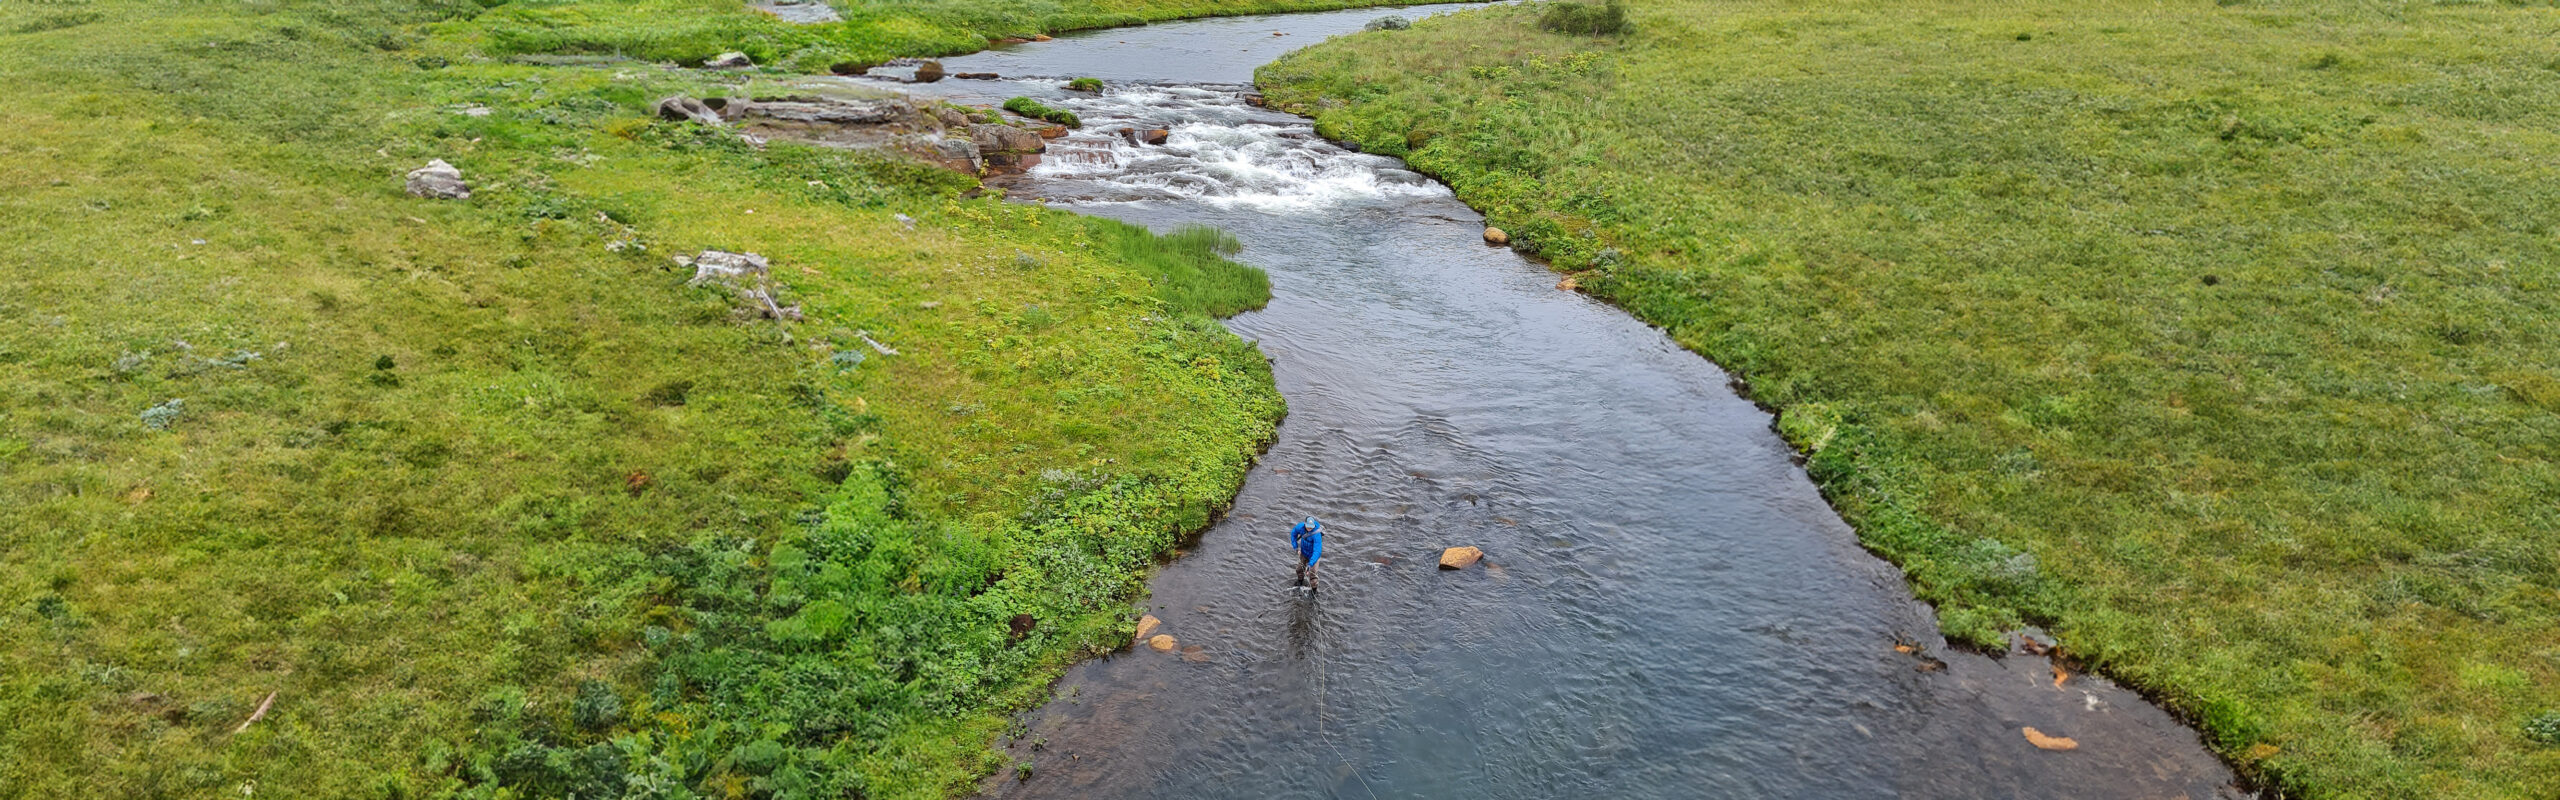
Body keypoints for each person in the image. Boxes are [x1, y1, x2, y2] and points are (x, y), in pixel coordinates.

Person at [1289, 516, 1324, 590]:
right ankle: (1300, 582)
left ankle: (1314, 591)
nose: (1309, 529)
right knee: (1299, 569)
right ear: (1305, 524)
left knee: (1312, 575)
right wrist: (1296, 548)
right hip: (1303, 553)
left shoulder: (1317, 535)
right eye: (1308, 527)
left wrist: (1310, 565)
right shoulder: (1300, 527)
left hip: (1314, 556)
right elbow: (1293, 534)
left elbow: (1317, 551)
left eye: (1311, 527)